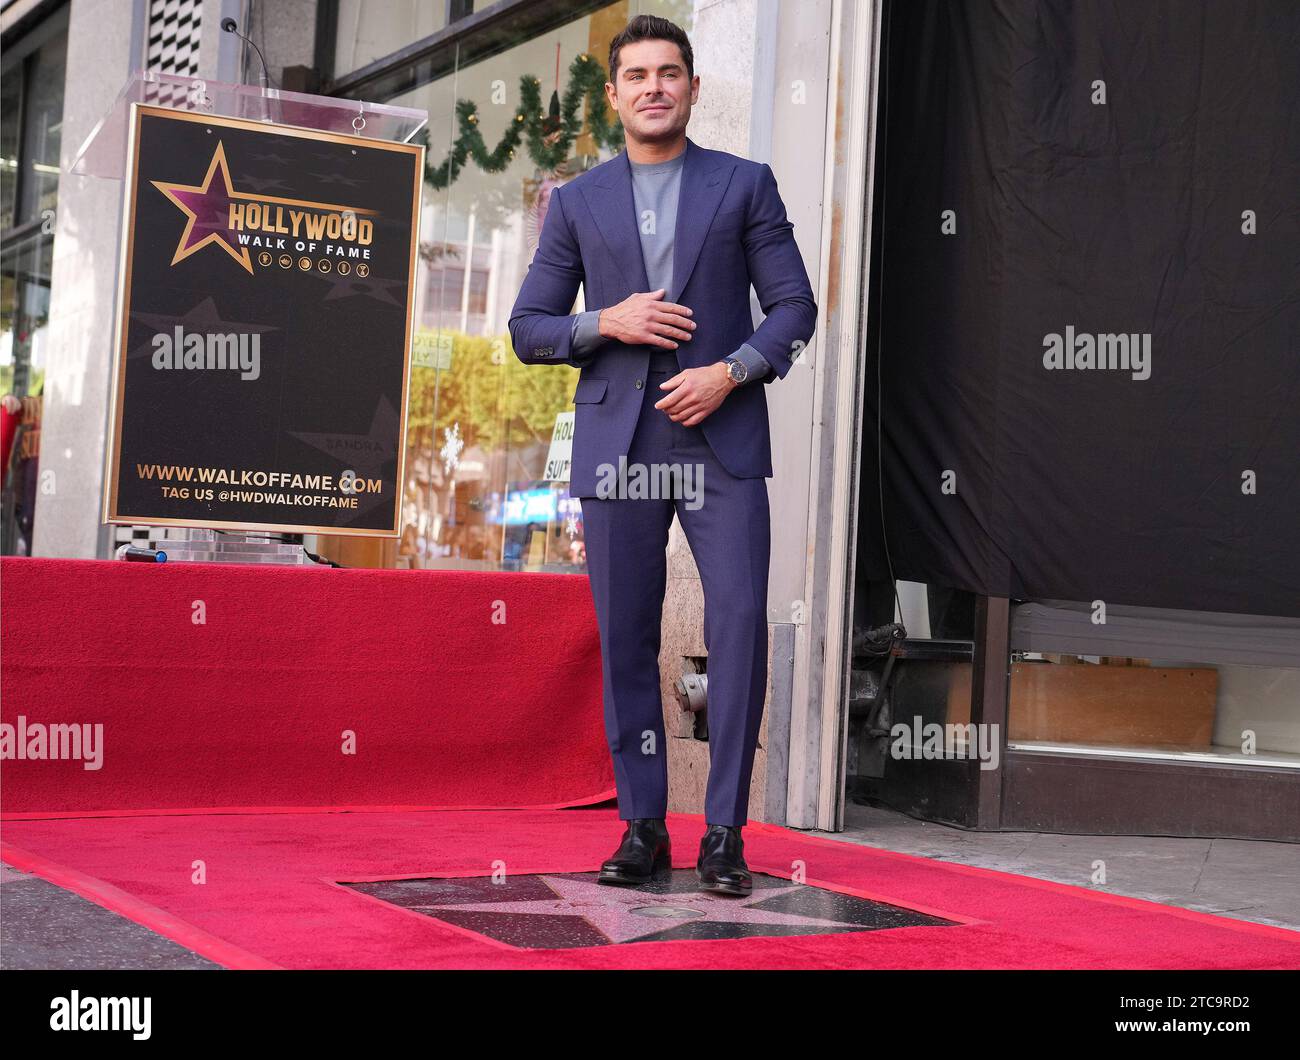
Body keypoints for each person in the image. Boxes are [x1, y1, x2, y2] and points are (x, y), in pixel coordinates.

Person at [509, 15, 816, 895]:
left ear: (690, 86)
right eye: (636, 74)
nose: (653, 86)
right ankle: (642, 825)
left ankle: (725, 832)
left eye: (668, 72)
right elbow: (529, 329)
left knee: (736, 628)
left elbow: (794, 307)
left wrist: (730, 372)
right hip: (619, 442)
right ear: (613, 95)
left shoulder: (745, 185)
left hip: (719, 438)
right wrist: (607, 321)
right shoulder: (576, 202)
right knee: (626, 639)